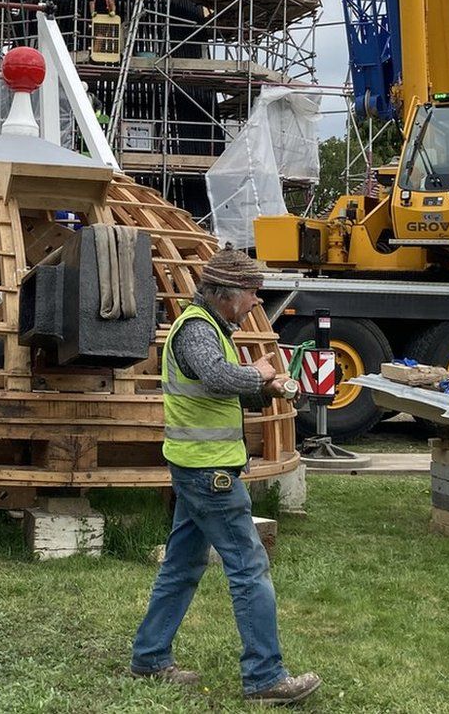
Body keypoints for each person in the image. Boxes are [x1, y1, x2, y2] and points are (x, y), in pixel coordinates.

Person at [130, 245, 321, 705]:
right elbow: (217, 378)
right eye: (252, 291)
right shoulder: (197, 329)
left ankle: (150, 656)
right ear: (226, 293)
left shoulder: (210, 326)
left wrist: (269, 388)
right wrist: (258, 374)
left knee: (182, 565)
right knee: (249, 567)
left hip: (197, 466)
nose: (257, 300)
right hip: (208, 473)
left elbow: (216, 391)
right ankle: (265, 677)